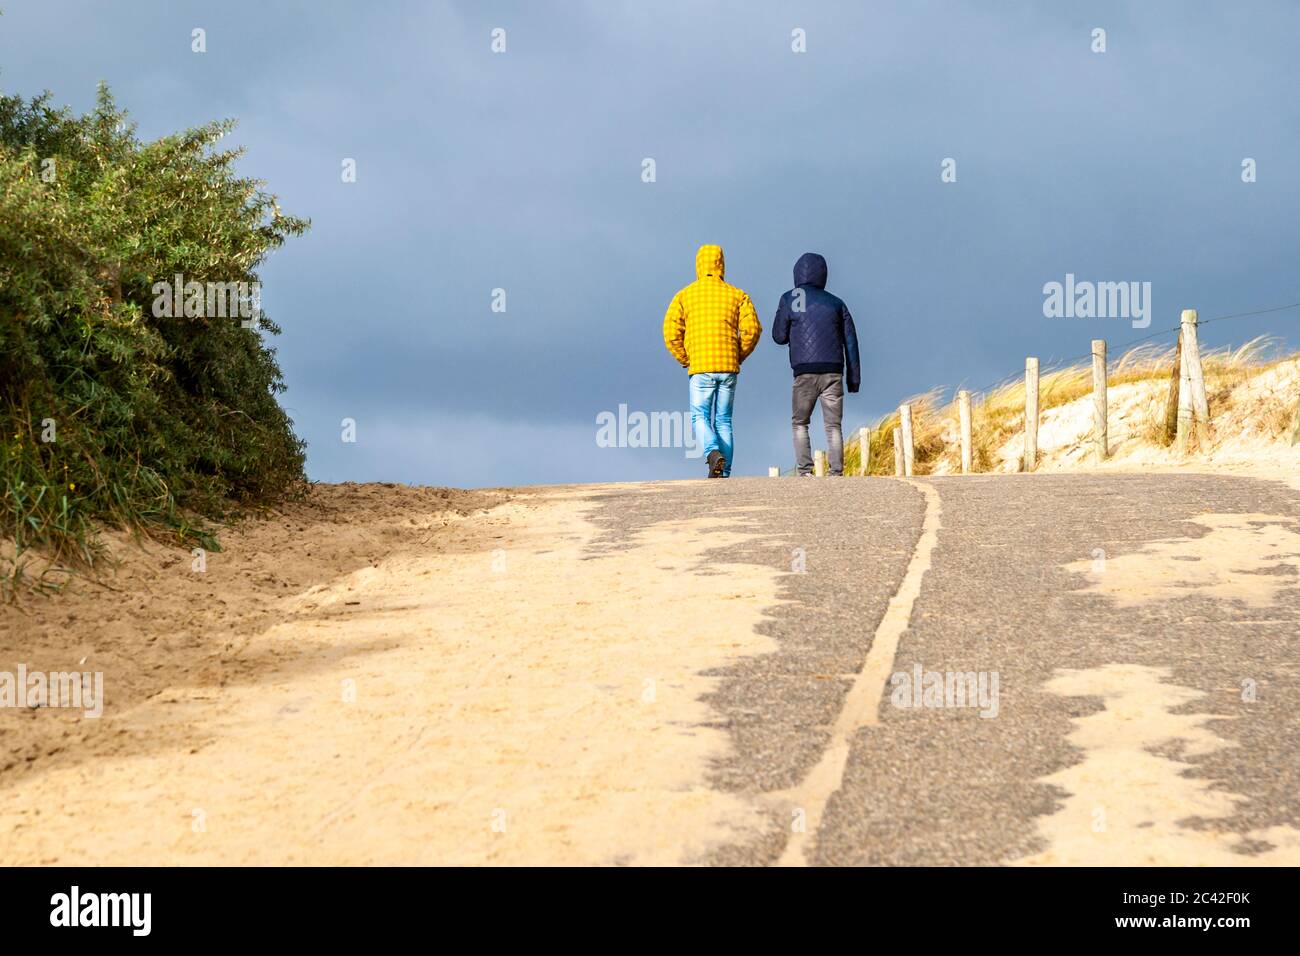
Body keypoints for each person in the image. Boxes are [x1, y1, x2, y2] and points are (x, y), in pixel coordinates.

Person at [663, 244, 762, 478]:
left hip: (700, 368)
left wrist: (684, 357)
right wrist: (738, 355)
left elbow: (670, 331)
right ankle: (724, 472)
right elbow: (752, 329)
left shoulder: (684, 295)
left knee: (699, 417)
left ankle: (712, 453)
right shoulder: (737, 295)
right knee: (724, 420)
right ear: (721, 264)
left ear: (698, 265)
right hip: (728, 367)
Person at [771, 252, 861, 476]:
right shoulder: (836, 303)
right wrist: (854, 379)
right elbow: (851, 342)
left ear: (796, 273)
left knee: (800, 422)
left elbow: (778, 336)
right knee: (833, 426)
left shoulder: (790, 298)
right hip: (833, 371)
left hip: (804, 372)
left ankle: (805, 471)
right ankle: (836, 472)